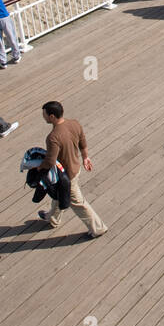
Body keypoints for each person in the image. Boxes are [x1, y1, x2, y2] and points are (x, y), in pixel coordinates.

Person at [35, 101, 107, 238]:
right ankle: (52, 218)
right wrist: (85, 158)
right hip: (76, 167)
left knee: (78, 203)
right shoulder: (74, 123)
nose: (43, 117)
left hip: (66, 174)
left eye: (44, 114)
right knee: (58, 194)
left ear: (51, 117)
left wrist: (39, 167)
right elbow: (83, 142)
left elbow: (50, 161)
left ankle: (98, 228)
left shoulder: (53, 137)